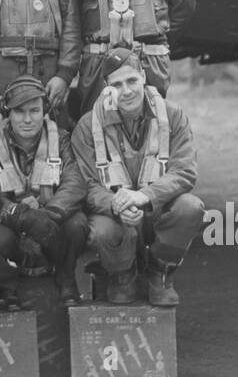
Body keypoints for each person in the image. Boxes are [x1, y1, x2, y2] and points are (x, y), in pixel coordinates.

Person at [69, 47, 205, 306]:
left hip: (155, 206)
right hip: (116, 214)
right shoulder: (88, 126)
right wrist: (115, 204)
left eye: (132, 80)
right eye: (117, 84)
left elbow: (185, 171)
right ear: (106, 87)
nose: (127, 91)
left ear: (144, 76)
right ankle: (122, 274)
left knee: (190, 207)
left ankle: (159, 273)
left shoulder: (172, 115)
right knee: (101, 231)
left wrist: (143, 196)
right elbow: (86, 184)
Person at [0, 76, 89, 308]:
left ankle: (66, 277)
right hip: (12, 218)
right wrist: (21, 217)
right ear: (7, 113)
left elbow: (75, 182)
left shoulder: (61, 139)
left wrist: (47, 215)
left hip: (51, 216)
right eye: (19, 112)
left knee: (77, 224)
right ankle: (5, 287)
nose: (28, 119)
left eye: (35, 110)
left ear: (45, 111)